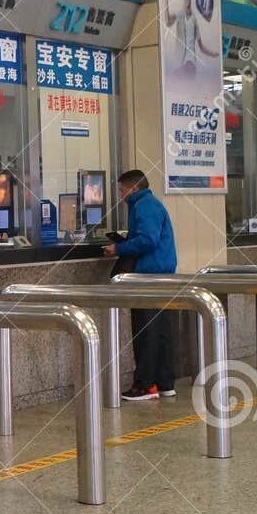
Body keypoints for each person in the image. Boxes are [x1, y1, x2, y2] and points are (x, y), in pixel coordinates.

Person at [103, 169, 178, 400]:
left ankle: (144, 386)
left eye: (121, 190)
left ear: (133, 188)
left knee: (145, 331)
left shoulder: (144, 206)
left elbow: (148, 239)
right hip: (159, 274)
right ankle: (164, 383)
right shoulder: (150, 204)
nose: (120, 196)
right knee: (159, 331)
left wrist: (119, 248)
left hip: (147, 275)